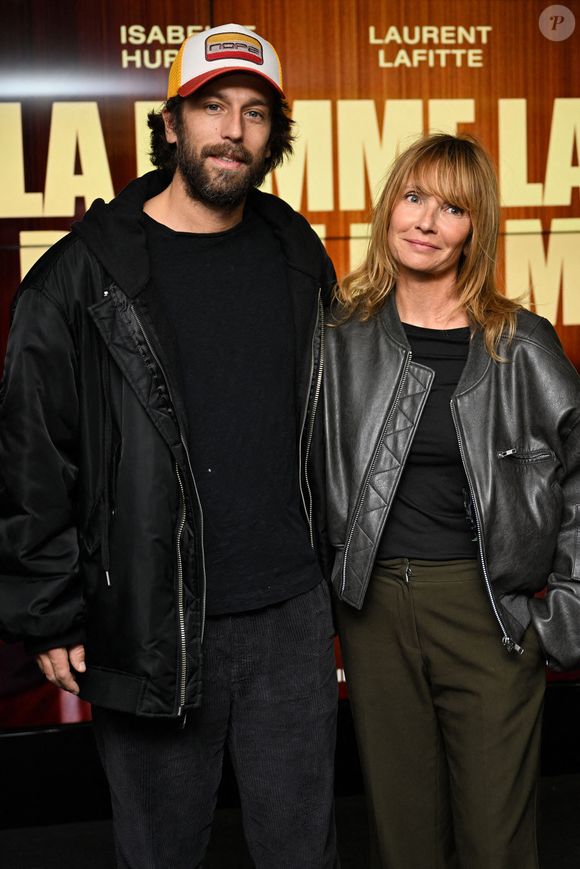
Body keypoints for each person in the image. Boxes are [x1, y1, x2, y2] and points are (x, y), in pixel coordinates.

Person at [0, 23, 338, 869]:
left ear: (274, 133)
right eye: (213, 107)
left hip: (291, 616)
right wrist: (50, 611)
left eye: (256, 113)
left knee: (304, 849)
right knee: (159, 853)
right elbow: (35, 450)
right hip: (147, 618)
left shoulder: (295, 250)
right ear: (172, 122)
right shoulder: (81, 274)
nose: (234, 130)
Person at [323, 133, 580, 869]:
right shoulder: (339, 334)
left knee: (497, 842)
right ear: (389, 208)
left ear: (477, 227)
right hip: (372, 613)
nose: (427, 221)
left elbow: (578, 484)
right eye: (414, 197)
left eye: (453, 207)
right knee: (403, 840)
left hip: (489, 612)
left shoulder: (522, 345)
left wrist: (560, 617)